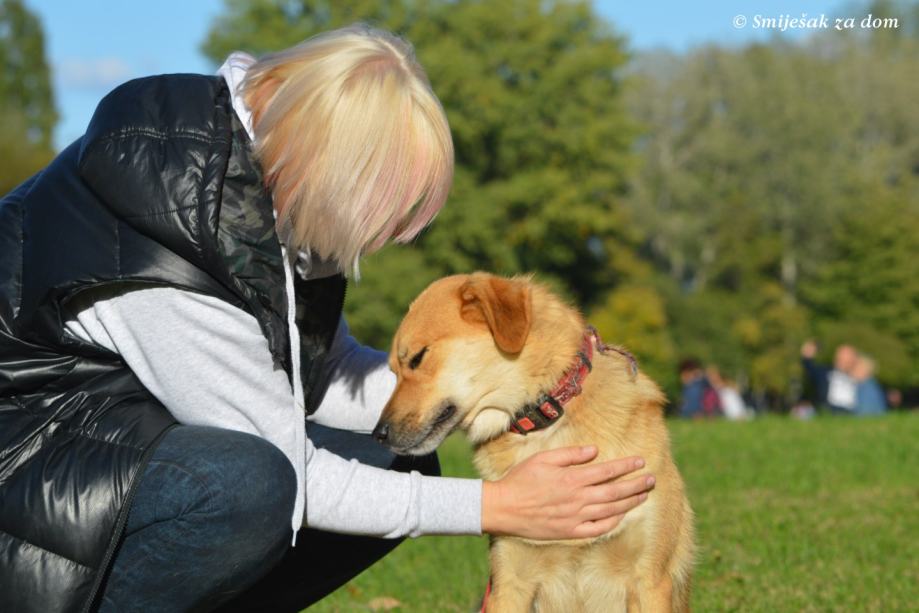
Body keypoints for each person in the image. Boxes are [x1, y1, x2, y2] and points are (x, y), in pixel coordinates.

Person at [0, 25, 654, 613]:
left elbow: (322, 372)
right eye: (387, 215)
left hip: (105, 438)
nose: (393, 238)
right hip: (27, 468)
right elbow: (295, 473)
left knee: (397, 450)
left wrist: (519, 385)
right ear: (340, 175)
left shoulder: (274, 183)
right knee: (248, 485)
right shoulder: (167, 240)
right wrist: (498, 507)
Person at [800, 340, 858, 414]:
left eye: (846, 358)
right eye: (839, 357)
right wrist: (807, 356)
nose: (841, 360)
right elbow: (810, 369)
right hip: (830, 410)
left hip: (851, 412)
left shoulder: (860, 377)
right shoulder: (825, 373)